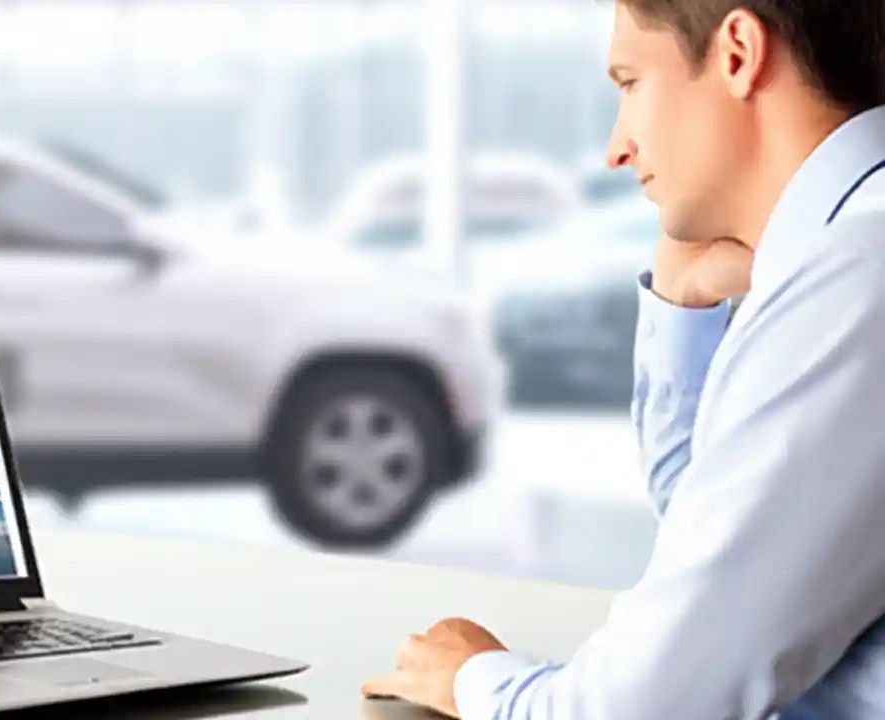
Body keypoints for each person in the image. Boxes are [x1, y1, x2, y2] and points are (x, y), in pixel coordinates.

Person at [361, 1, 885, 718]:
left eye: (631, 82)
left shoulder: (857, 279)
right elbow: (733, 559)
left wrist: (477, 682)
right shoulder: (848, 258)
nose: (616, 148)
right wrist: (679, 303)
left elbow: (646, 704)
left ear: (737, 53)